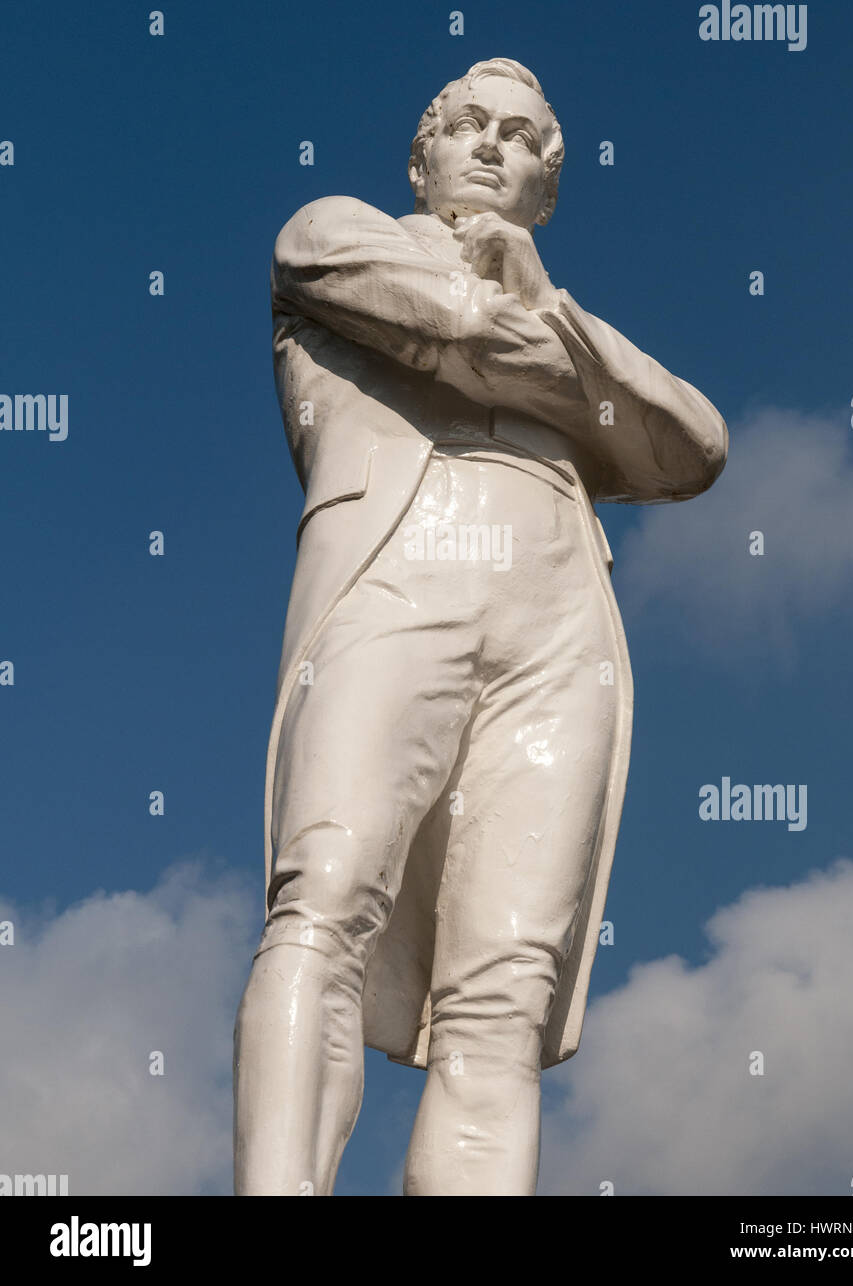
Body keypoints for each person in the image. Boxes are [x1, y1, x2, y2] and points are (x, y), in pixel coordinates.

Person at [233, 58, 728, 1196]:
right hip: (397, 572)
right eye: (468, 126)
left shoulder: (561, 309)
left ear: (548, 185)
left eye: (520, 136)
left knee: (504, 990)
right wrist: (563, 361)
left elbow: (693, 445)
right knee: (328, 892)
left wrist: (549, 314)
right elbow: (455, 332)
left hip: (558, 624)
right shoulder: (333, 233)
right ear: (424, 154)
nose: (492, 147)